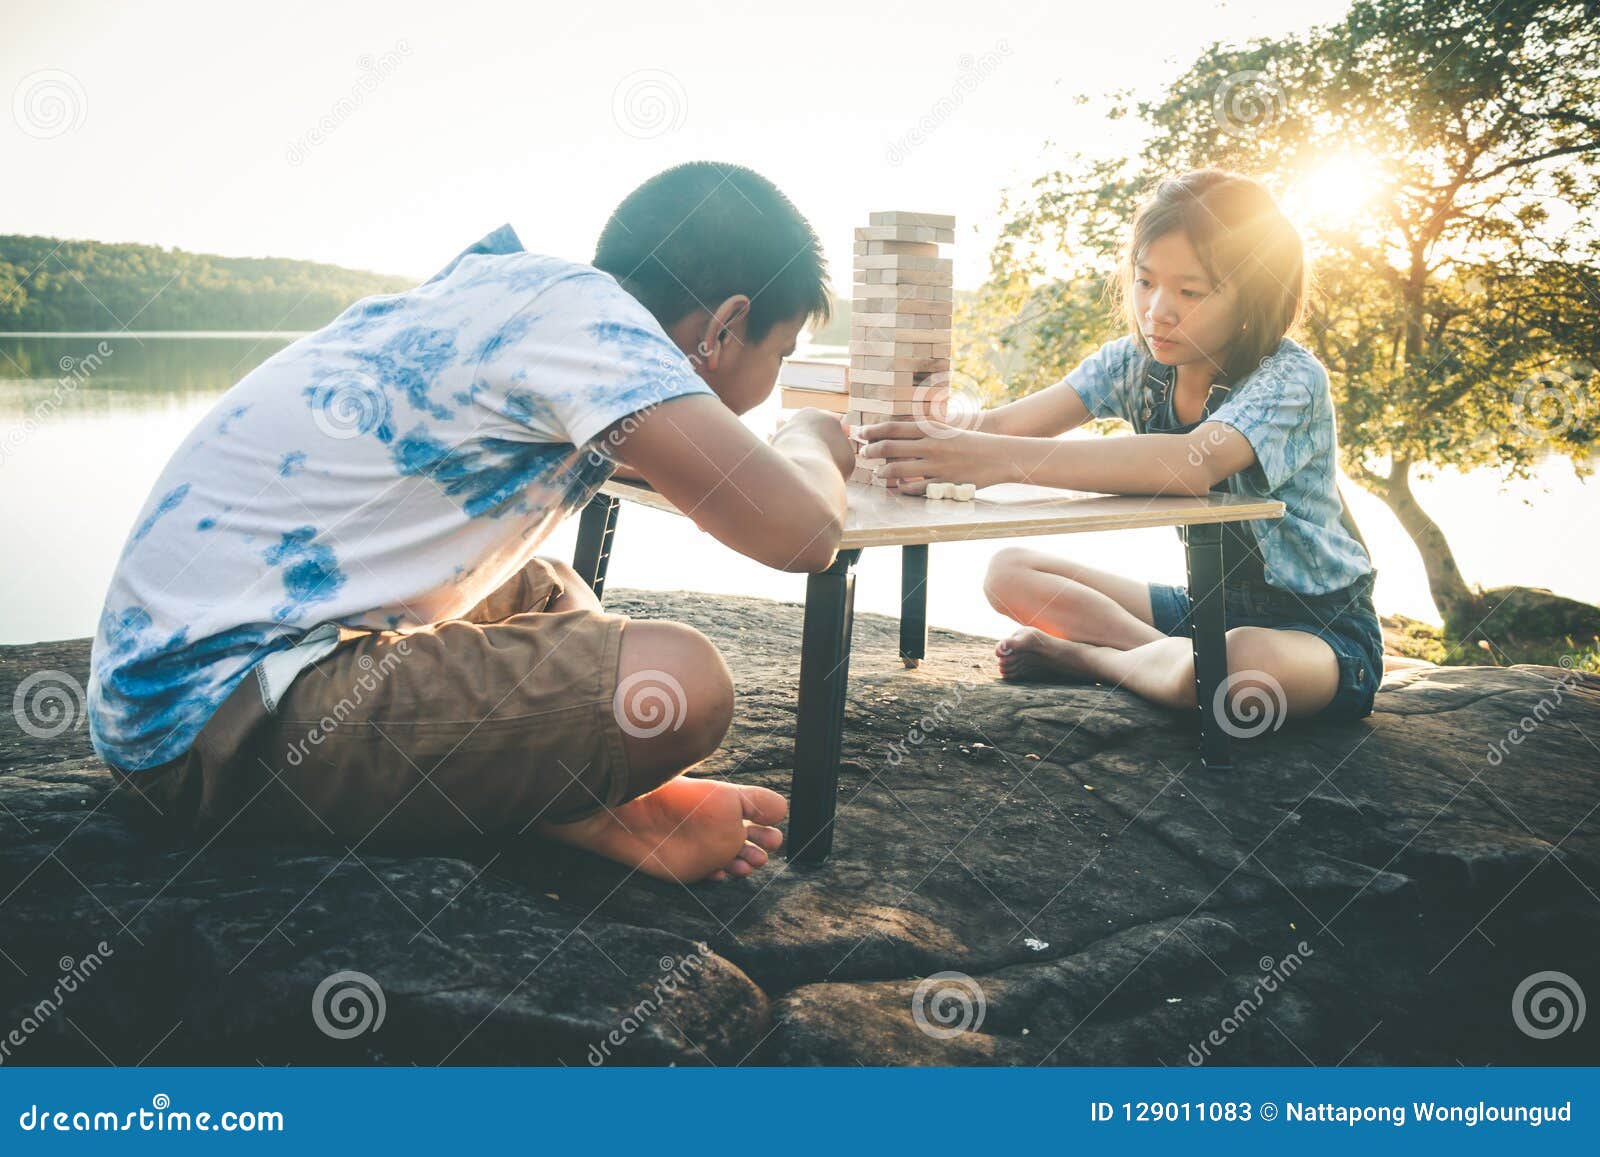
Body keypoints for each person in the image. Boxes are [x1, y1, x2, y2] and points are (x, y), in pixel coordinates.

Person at [88, 162, 855, 884]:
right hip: (210, 727)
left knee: (548, 590)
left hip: (197, 678)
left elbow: (676, 472)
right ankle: (576, 805)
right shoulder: (599, 333)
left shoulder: (526, 298)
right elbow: (803, 534)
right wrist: (809, 440)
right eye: (782, 351)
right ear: (725, 325)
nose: (779, 372)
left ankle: (557, 795)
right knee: (682, 684)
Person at [859, 170, 1384, 728]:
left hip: (1320, 633)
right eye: (1145, 281)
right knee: (1008, 572)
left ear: (1253, 295)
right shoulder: (1133, 362)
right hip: (1203, 607)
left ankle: (1093, 659)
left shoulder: (1289, 379)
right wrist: (898, 434)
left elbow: (1193, 463)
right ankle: (1164, 659)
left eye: (1190, 292)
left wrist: (994, 459)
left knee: (1234, 669)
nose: (1158, 310)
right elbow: (1005, 426)